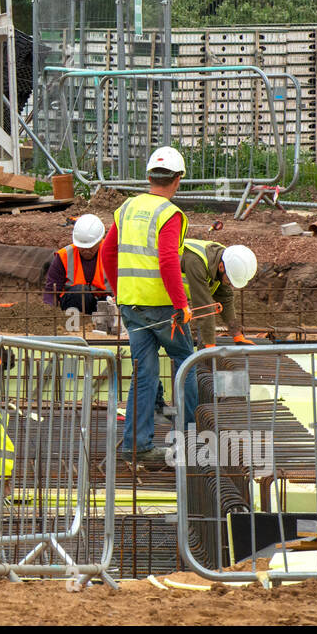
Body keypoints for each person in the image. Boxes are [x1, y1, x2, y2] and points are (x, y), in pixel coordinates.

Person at [100, 146, 197, 468]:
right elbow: (168, 259)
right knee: (187, 362)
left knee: (143, 372)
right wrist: (181, 304)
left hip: (131, 305)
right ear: (178, 179)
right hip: (162, 307)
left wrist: (119, 290)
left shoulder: (127, 207)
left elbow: (107, 253)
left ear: (149, 177)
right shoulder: (170, 213)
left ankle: (137, 445)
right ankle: (193, 440)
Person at [182, 240, 259, 349]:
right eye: (229, 280)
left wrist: (238, 336)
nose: (230, 284)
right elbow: (203, 306)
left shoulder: (223, 259)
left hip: (173, 299)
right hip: (158, 297)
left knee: (183, 351)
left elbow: (225, 298)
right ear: (221, 267)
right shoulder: (196, 261)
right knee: (183, 351)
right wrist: (210, 346)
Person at [43, 213, 111, 314]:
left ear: (100, 240)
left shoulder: (112, 253)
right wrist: (49, 312)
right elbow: (51, 290)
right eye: (82, 246)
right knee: (80, 291)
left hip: (105, 304)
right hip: (73, 306)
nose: (86, 250)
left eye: (91, 247)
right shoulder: (64, 256)